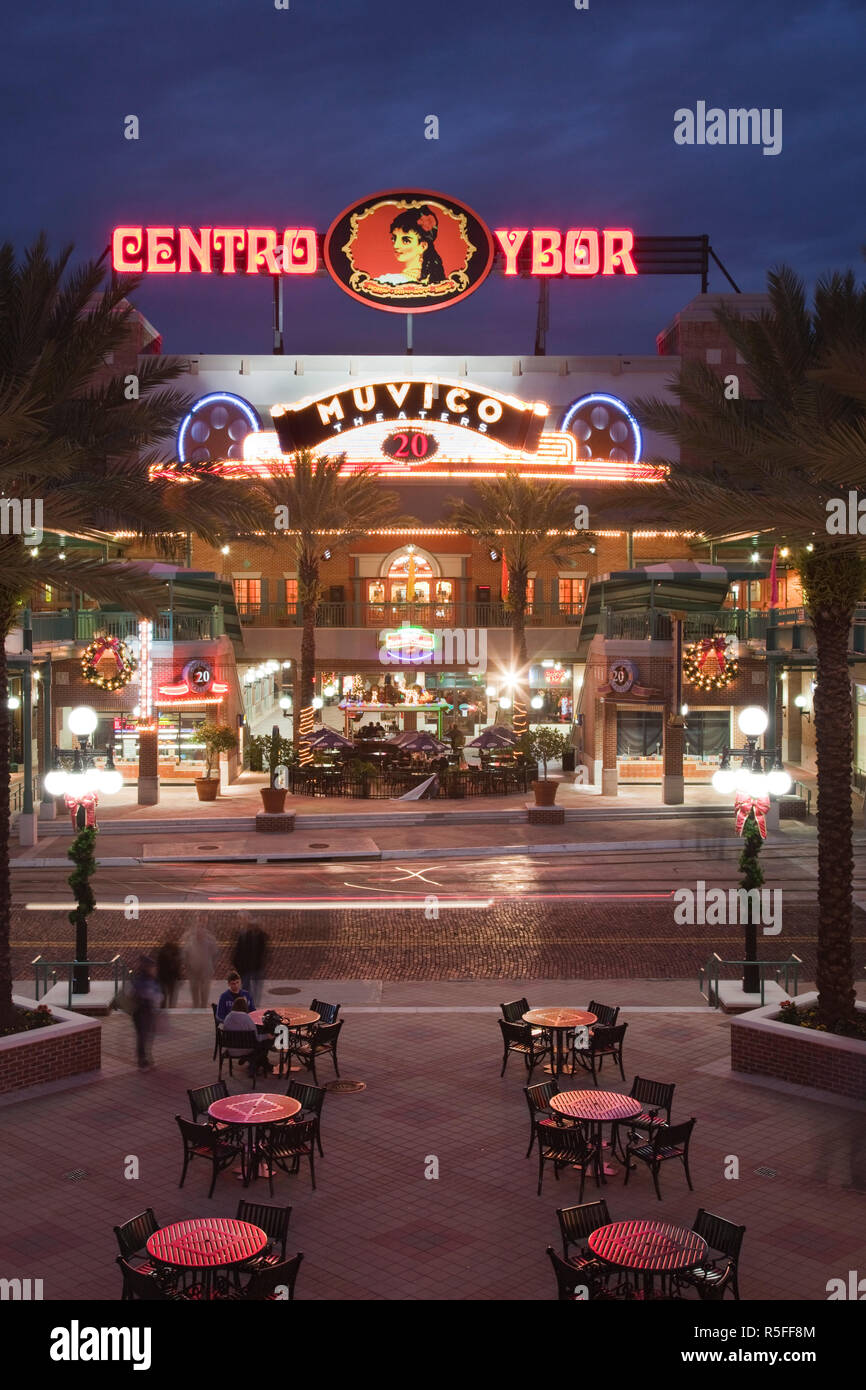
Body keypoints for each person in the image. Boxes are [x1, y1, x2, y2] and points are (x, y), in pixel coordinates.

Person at [378, 205, 446, 287]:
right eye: (394, 239)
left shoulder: (389, 281)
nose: (396, 245)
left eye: (406, 240)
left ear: (423, 246)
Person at [221, 997, 270, 1078]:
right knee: (265, 1044)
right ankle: (254, 1066)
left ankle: (250, 1062)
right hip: (246, 1049)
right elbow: (256, 1038)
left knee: (259, 1044)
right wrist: (267, 1036)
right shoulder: (247, 1018)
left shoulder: (228, 1017)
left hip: (231, 1050)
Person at [129, 955, 161, 1070]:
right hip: (141, 1012)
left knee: (147, 1035)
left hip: (147, 1011)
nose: (155, 970)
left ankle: (146, 1057)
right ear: (147, 968)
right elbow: (147, 994)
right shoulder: (142, 980)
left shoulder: (149, 979)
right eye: (153, 968)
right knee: (143, 1036)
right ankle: (142, 1060)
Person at [181, 918, 219, 1010]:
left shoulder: (210, 940)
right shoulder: (190, 940)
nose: (199, 929)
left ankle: (203, 1007)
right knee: (194, 988)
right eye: (198, 927)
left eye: (201, 927)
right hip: (193, 970)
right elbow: (185, 954)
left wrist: (212, 965)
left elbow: (215, 954)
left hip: (206, 970)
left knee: (204, 990)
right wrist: (187, 965)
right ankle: (196, 1006)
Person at [232, 915, 269, 1006]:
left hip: (255, 967)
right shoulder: (246, 936)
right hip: (247, 967)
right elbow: (239, 951)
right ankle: (250, 1004)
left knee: (255, 987)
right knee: (247, 987)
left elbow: (264, 952)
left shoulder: (261, 936)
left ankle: (254, 1005)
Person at [155, 939, 182, 1009]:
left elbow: (159, 965)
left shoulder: (162, 953)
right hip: (172, 977)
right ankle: (171, 1008)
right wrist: (179, 976)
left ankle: (163, 1007)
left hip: (163, 976)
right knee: (172, 994)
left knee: (163, 994)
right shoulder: (176, 954)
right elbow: (177, 966)